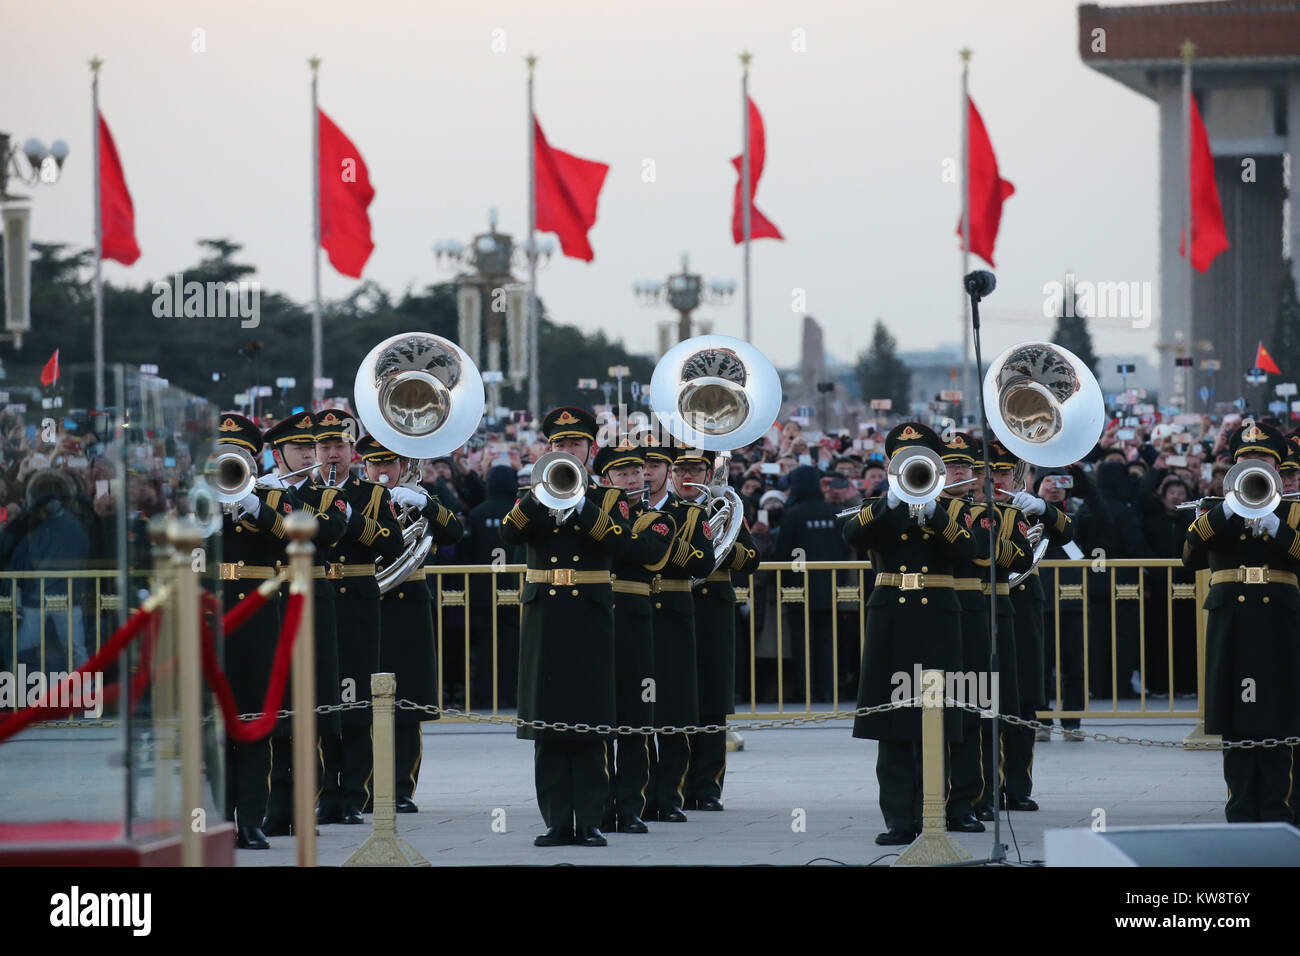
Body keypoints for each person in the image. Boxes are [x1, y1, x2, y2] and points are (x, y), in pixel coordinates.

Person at [501, 407, 632, 847]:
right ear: (547, 448)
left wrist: (582, 506)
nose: (566, 450)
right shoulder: (530, 495)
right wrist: (541, 499)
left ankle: (591, 819)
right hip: (545, 616)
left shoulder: (609, 498)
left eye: (574, 444)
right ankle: (557, 819)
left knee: (591, 720)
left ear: (590, 450)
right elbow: (508, 534)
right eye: (558, 444)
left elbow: (621, 542)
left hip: (591, 615)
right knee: (548, 721)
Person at [842, 422, 974, 846]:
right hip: (891, 620)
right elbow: (853, 535)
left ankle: (941, 809)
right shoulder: (877, 506)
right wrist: (893, 502)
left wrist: (934, 512)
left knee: (939, 719)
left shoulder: (953, 510)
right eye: (902, 459)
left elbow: (968, 553)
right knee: (893, 722)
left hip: (937, 618)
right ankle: (899, 818)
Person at [1183, 420, 1300, 823]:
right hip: (1231, 622)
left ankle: (1275, 813)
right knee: (1236, 721)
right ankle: (1240, 811)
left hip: (1277, 622)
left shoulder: (1293, 509)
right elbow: (1191, 556)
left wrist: (1277, 529)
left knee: (1278, 717)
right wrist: (1227, 511)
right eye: (1246, 458)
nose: (1255, 463)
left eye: (1263, 458)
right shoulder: (1217, 509)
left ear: (1278, 464)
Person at [358, 433, 464, 812]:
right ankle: (362, 787)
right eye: (375, 463)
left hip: (408, 608)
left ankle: (401, 787)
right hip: (363, 606)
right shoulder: (352, 500)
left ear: (404, 466)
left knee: (406, 704)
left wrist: (427, 504)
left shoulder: (419, 499)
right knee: (362, 702)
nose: (382, 470)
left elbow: (455, 532)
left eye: (390, 463)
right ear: (365, 466)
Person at [257, 413, 349, 836]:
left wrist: (272, 505)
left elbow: (324, 531)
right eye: (301, 450)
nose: (313, 456)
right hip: (268, 606)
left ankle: (306, 805)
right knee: (272, 704)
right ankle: (271, 809)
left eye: (313, 449)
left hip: (314, 604)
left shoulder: (327, 494)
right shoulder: (255, 490)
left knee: (311, 708)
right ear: (278, 455)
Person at [313, 409, 403, 825]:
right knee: (320, 700)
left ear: (353, 451)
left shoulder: (373, 495)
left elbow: (391, 540)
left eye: (339, 447)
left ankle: (353, 795)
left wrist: (348, 519)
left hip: (358, 605)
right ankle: (322, 791)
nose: (332, 455)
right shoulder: (299, 493)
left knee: (356, 700)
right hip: (316, 600)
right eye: (324, 447)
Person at [211, 413, 288, 850]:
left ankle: (252, 819)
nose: (230, 462)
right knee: (217, 722)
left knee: (256, 719)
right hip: (214, 618)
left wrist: (253, 507)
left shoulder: (271, 498)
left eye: (238, 455)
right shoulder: (197, 500)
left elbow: (296, 536)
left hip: (259, 618)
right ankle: (219, 816)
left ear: (254, 460)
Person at [593, 441, 676, 833]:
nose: (629, 479)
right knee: (597, 719)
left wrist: (599, 522)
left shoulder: (658, 518)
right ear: (604, 479)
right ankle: (598, 805)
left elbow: (645, 551)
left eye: (634, 472)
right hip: (595, 620)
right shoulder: (590, 512)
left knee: (635, 720)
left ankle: (629, 807)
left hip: (636, 622)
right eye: (620, 474)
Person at [675, 447, 761, 811]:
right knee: (676, 699)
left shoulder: (725, 509)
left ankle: (708, 787)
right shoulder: (662, 513)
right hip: (675, 606)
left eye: (695, 469)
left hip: (714, 608)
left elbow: (752, 560)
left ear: (709, 472)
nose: (687, 477)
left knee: (713, 699)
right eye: (681, 470)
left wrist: (719, 548)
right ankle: (674, 787)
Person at [997, 440, 1075, 810]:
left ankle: (1018, 786)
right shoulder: (969, 507)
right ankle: (985, 787)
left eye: (1009, 472)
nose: (1001, 479)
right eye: (994, 472)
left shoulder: (1027, 505)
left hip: (1024, 605)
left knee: (1025, 695)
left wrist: (1043, 507)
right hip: (987, 605)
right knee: (986, 695)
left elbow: (1066, 532)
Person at [641, 441, 714, 822]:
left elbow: (704, 560)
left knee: (673, 713)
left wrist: (664, 545)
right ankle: (637, 797)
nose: (648, 472)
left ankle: (670, 796)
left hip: (673, 617)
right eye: (642, 466)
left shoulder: (689, 513)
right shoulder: (624, 512)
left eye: (655, 465)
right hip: (634, 616)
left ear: (667, 471)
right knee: (636, 715)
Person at [772, 464, 849, 703]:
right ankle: (828, 690)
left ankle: (805, 691)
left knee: (802, 642)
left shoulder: (793, 515)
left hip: (798, 590)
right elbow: (844, 551)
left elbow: (782, 552)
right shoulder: (834, 513)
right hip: (831, 588)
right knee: (828, 641)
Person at [461, 465, 522, 709]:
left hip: (481, 591)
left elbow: (467, 553)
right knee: (512, 644)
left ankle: (483, 696)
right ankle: (511, 695)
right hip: (512, 588)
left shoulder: (477, 514)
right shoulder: (517, 512)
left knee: (484, 646)